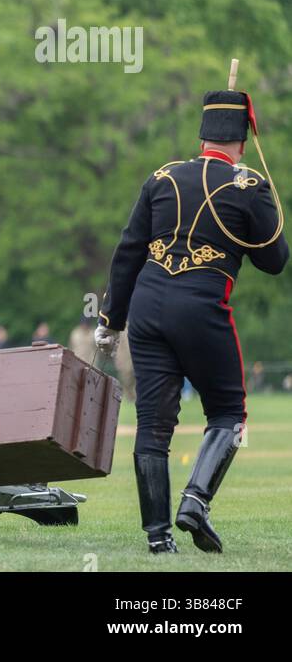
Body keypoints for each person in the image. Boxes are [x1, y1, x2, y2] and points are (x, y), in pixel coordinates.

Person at [95, 84, 287, 554]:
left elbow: (127, 253)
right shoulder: (248, 186)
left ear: (203, 136)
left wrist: (110, 320)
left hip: (146, 309)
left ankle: (159, 538)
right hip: (201, 310)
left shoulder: (161, 177)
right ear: (242, 140)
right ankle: (195, 501)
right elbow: (275, 259)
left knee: (153, 426)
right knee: (228, 412)